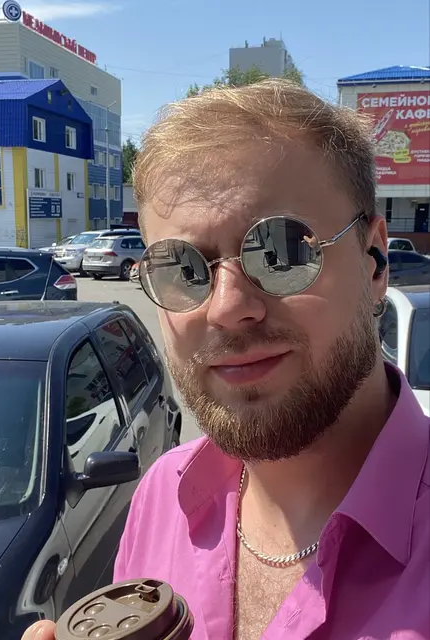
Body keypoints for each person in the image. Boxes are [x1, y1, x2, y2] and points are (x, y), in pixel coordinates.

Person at [23, 80, 429, 640]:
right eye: (182, 266)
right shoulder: (164, 496)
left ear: (374, 260)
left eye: (281, 249)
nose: (228, 308)